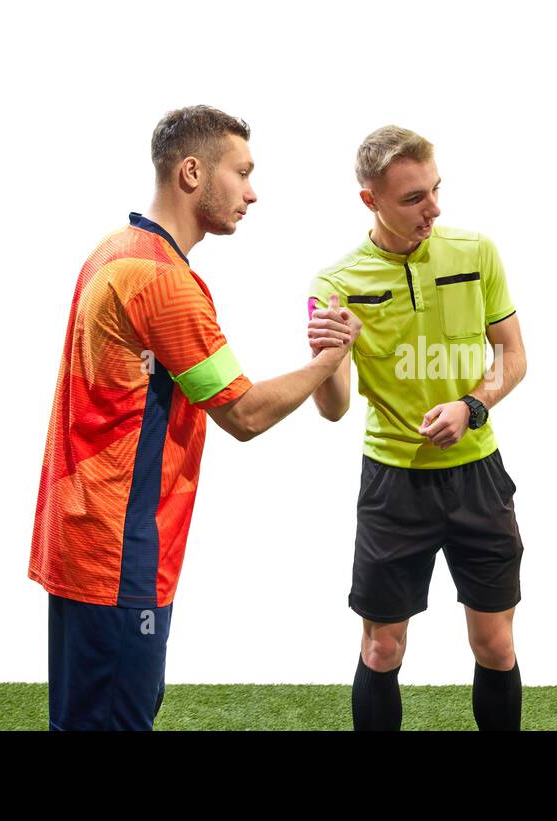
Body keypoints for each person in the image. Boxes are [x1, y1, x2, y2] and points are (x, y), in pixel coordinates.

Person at [29, 105, 360, 730]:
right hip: (120, 553)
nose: (252, 192)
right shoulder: (164, 282)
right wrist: (329, 359)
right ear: (191, 173)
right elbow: (243, 413)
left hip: (80, 536)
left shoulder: (115, 251)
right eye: (241, 172)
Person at [306, 126, 528, 731]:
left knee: (495, 645)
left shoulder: (476, 251)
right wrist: (326, 359)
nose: (434, 208)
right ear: (369, 200)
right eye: (413, 199)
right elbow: (333, 408)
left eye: (435, 189)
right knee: (382, 648)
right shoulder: (334, 286)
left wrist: (471, 406)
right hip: (393, 486)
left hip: (478, 477)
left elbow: (513, 356)